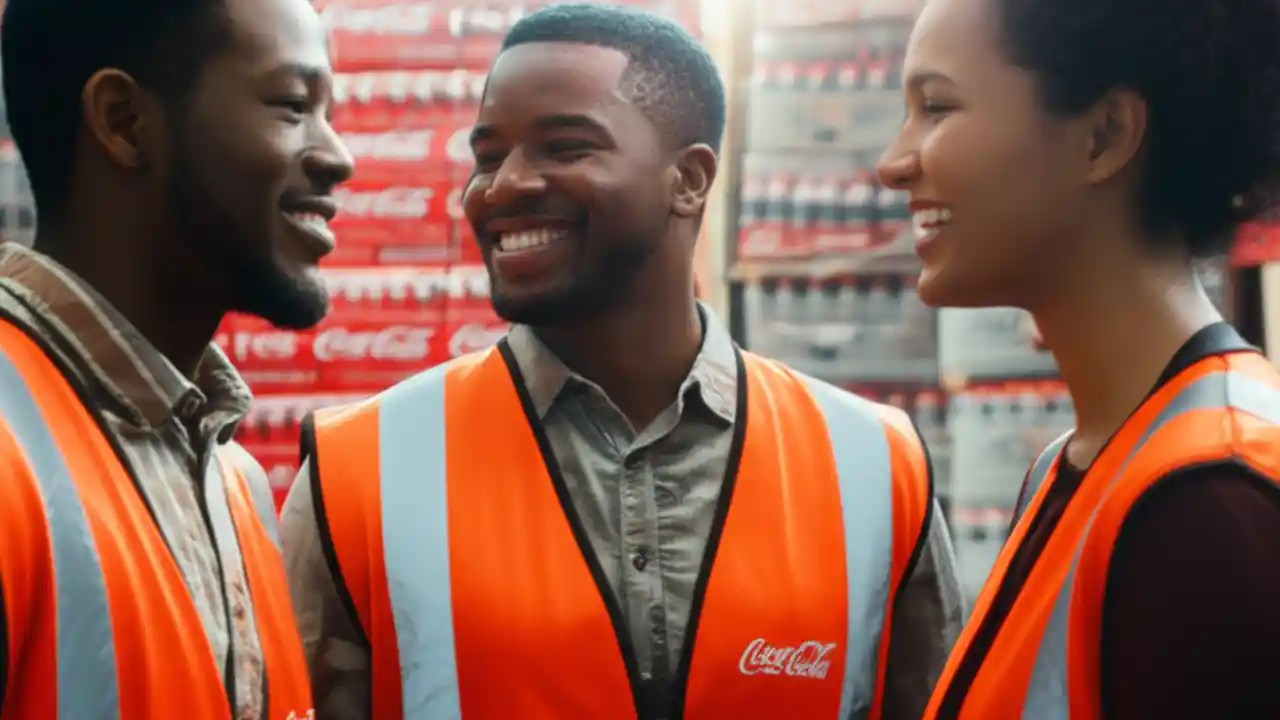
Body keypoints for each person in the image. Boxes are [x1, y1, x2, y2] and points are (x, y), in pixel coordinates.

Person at [281, 4, 965, 719]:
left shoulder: (874, 465)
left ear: (690, 180)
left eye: (565, 146)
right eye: (487, 156)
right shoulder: (356, 469)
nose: (503, 185)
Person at [877, 0, 1280, 717]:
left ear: (1104, 135)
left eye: (936, 107)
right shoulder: (1084, 465)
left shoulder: (1210, 499)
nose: (893, 163)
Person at [0, 0, 352, 714]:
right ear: (125, 122)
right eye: (291, 105)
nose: (337, 156)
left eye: (330, 113)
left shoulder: (235, 481)